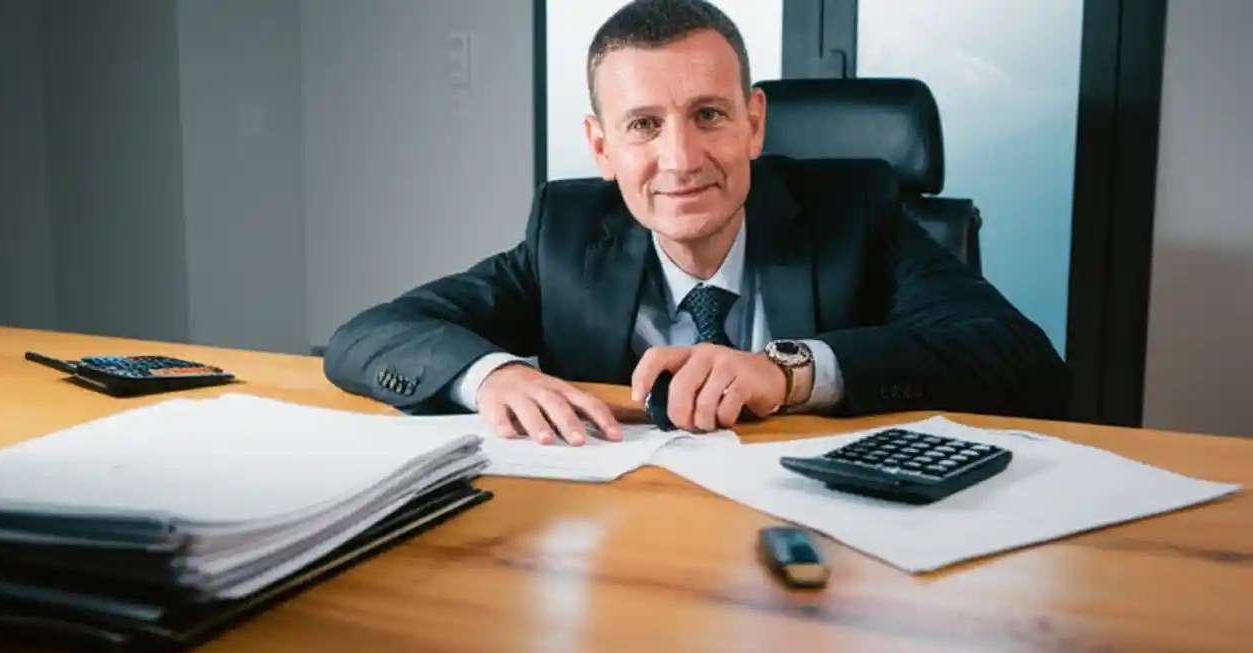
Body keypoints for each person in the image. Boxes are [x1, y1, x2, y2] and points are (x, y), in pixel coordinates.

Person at [323, 0, 1069, 446]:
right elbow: (369, 335)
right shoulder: (568, 233)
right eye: (643, 125)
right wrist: (493, 376)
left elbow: (1024, 364)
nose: (680, 159)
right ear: (601, 147)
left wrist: (790, 372)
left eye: (708, 115)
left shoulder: (855, 211)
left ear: (753, 124)